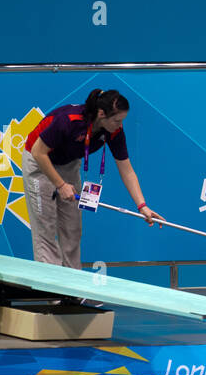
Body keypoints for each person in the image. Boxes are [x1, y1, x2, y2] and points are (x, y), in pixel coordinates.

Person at [22, 88, 161, 267]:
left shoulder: (114, 131)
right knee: (45, 230)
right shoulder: (68, 121)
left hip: (69, 164)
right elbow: (38, 152)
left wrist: (142, 206)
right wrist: (61, 184)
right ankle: (52, 289)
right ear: (101, 114)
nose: (120, 125)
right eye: (117, 120)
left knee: (73, 229)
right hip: (40, 162)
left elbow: (127, 170)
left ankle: (73, 285)